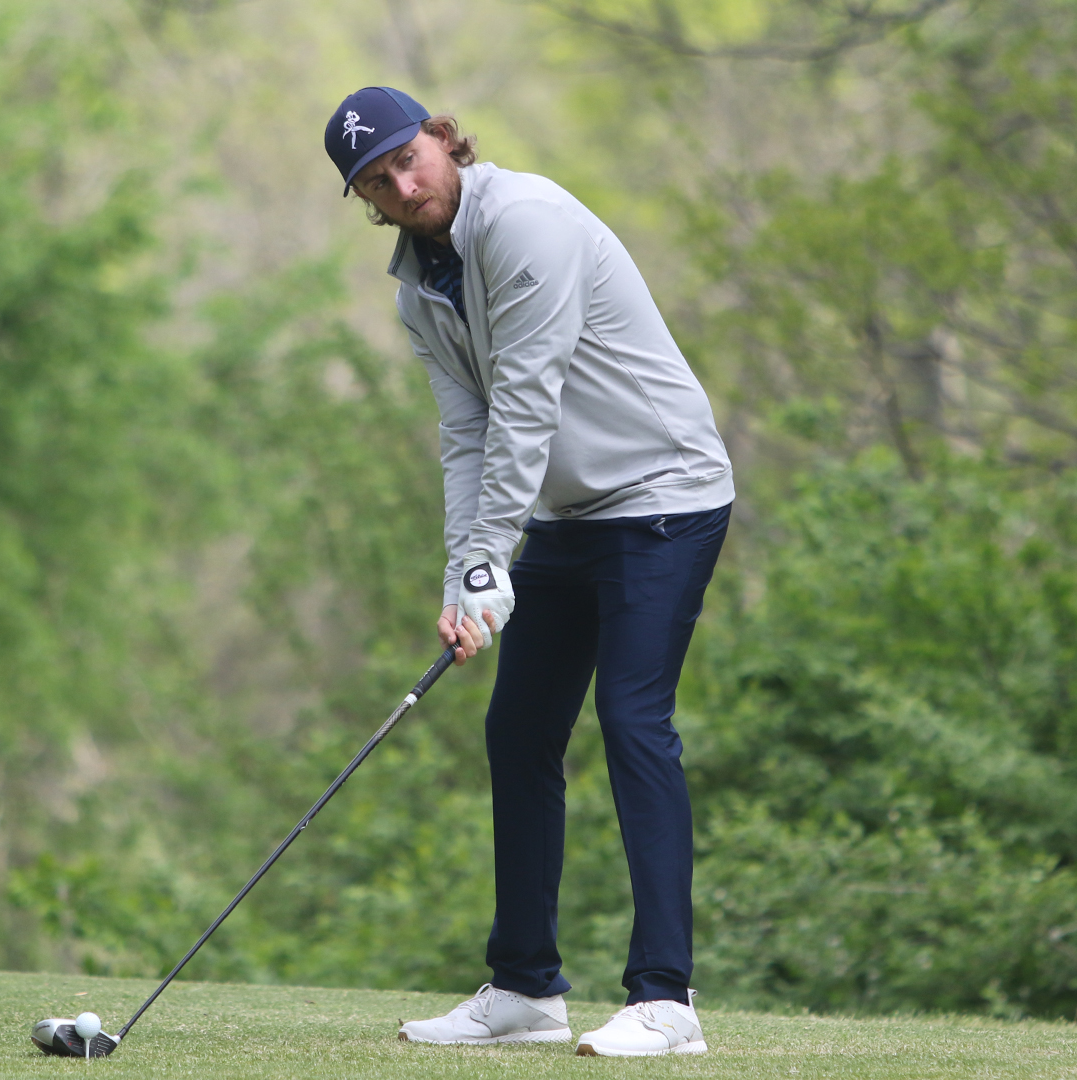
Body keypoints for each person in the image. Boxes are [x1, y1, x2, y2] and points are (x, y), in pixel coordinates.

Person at [323, 87, 734, 1058]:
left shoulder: (530, 224)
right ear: (368, 201)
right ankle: (525, 988)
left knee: (634, 719)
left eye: (404, 156)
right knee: (519, 728)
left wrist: (490, 556)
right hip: (567, 514)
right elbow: (465, 435)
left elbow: (526, 401)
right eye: (375, 179)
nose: (400, 182)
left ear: (442, 137)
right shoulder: (418, 286)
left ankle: (666, 1002)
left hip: (664, 495)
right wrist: (466, 575)